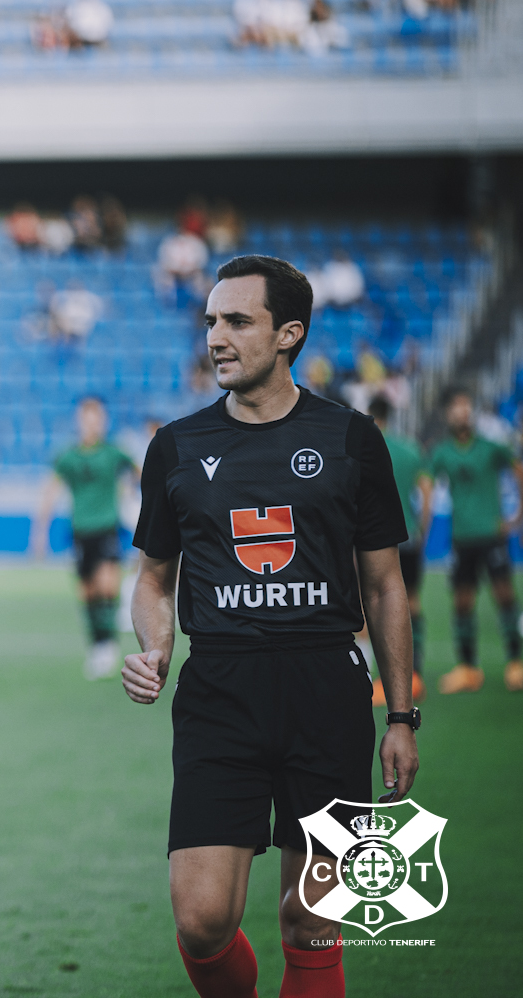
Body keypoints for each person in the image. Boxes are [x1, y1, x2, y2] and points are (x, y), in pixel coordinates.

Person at [125, 254, 418, 998]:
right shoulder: (177, 447)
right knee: (201, 920)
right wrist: (155, 645)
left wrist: (403, 715)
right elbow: (154, 578)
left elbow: (385, 587)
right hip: (218, 691)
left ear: (288, 334)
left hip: (329, 690)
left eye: (236, 321)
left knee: (313, 919)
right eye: (211, 322)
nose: (215, 337)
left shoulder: (353, 439)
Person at [426, 389, 523, 694]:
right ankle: (468, 669)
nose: (462, 413)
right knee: (462, 603)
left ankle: (516, 664)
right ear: (447, 414)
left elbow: (518, 472)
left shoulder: (492, 447)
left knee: (505, 596)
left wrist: (517, 516)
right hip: (461, 538)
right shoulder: (442, 452)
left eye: (466, 407)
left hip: (492, 536)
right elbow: (425, 482)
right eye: (456, 408)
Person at [35, 396, 136, 679]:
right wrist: (40, 533)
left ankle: (109, 645)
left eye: (98, 416)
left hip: (107, 528)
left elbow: (141, 473)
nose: (93, 422)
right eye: (87, 416)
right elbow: (50, 491)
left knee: (107, 586)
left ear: (104, 420)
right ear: (80, 420)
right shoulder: (68, 456)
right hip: (80, 531)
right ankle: (98, 645)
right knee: (87, 593)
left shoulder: (115, 453)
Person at [368, 396, 432, 705]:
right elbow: (426, 491)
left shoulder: (367, 449)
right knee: (413, 602)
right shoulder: (410, 448)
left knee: (374, 604)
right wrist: (422, 527)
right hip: (409, 535)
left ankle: (381, 677)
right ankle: (415, 672)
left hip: (376, 540)